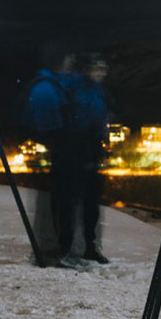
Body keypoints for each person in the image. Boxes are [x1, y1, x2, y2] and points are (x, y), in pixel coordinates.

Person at [26, 46, 86, 269]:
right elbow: (49, 127)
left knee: (65, 204)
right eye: (68, 57)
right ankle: (57, 252)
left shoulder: (60, 85)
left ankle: (62, 249)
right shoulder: (46, 88)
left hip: (65, 155)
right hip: (60, 157)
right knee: (61, 205)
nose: (71, 61)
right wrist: (65, 141)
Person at [68, 53, 115, 265]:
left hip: (93, 150)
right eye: (96, 69)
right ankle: (72, 248)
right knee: (75, 201)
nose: (99, 73)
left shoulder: (100, 91)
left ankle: (89, 246)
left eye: (102, 69)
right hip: (79, 149)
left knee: (91, 204)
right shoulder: (79, 90)